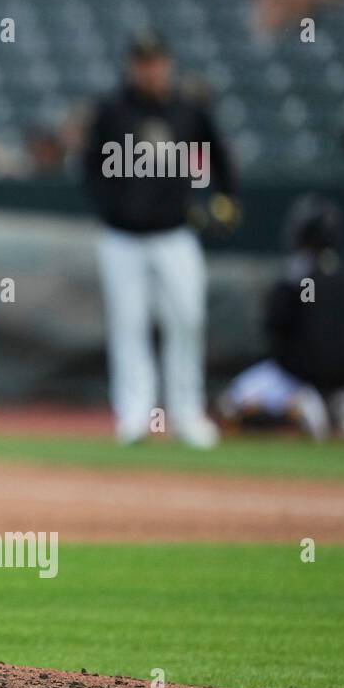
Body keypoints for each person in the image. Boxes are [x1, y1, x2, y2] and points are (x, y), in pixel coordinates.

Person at [83, 31, 238, 448]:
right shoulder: (113, 110)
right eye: (141, 61)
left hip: (175, 234)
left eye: (155, 61)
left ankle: (186, 414)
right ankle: (136, 415)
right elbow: (91, 167)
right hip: (122, 237)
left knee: (187, 319)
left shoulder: (188, 110)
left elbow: (216, 156)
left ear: (167, 64)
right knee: (128, 324)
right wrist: (111, 208)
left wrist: (221, 199)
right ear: (132, 65)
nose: (149, 70)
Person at [217, 196, 344, 440]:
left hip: (295, 378)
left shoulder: (299, 278)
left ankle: (294, 409)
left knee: (228, 406)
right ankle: (335, 406)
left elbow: (276, 328)